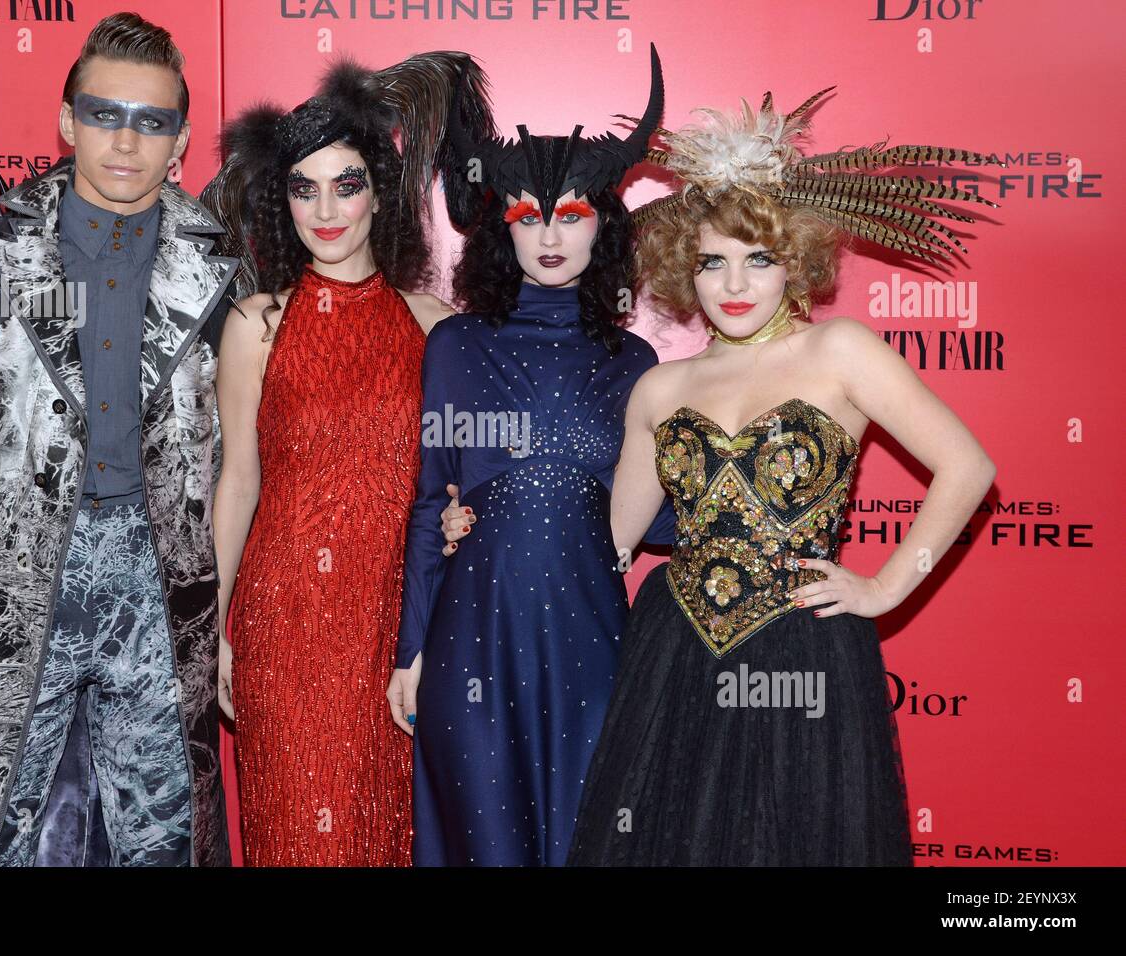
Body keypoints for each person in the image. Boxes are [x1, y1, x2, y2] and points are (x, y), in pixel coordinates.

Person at [563, 89, 1000, 865]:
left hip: (806, 648)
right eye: (713, 262)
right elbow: (610, 543)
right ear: (682, 269)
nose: (734, 283)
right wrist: (491, 512)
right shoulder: (661, 388)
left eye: (756, 259)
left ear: (792, 259)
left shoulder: (840, 352)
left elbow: (968, 467)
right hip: (675, 651)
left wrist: (886, 587)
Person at [0, 13, 237, 867]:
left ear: (179, 139)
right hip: (8, 574)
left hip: (160, 580)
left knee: (159, 831)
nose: (126, 140)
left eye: (152, 121)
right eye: (105, 113)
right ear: (67, 120)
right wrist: (5, 527)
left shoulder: (224, 271)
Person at [202, 53, 492, 866]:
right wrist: (218, 629)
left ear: (381, 192)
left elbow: (455, 482)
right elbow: (238, 482)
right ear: (280, 199)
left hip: (398, 630)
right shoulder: (254, 326)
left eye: (347, 184)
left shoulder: (434, 324)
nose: (325, 210)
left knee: (393, 834)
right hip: (283, 625)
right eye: (303, 187)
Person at [388, 46, 673, 866]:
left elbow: (652, 519)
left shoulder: (633, 365)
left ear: (603, 226)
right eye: (526, 218)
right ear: (500, 230)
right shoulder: (455, 346)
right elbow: (426, 501)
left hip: (595, 646)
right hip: (470, 641)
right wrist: (411, 650)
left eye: (572, 215)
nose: (549, 236)